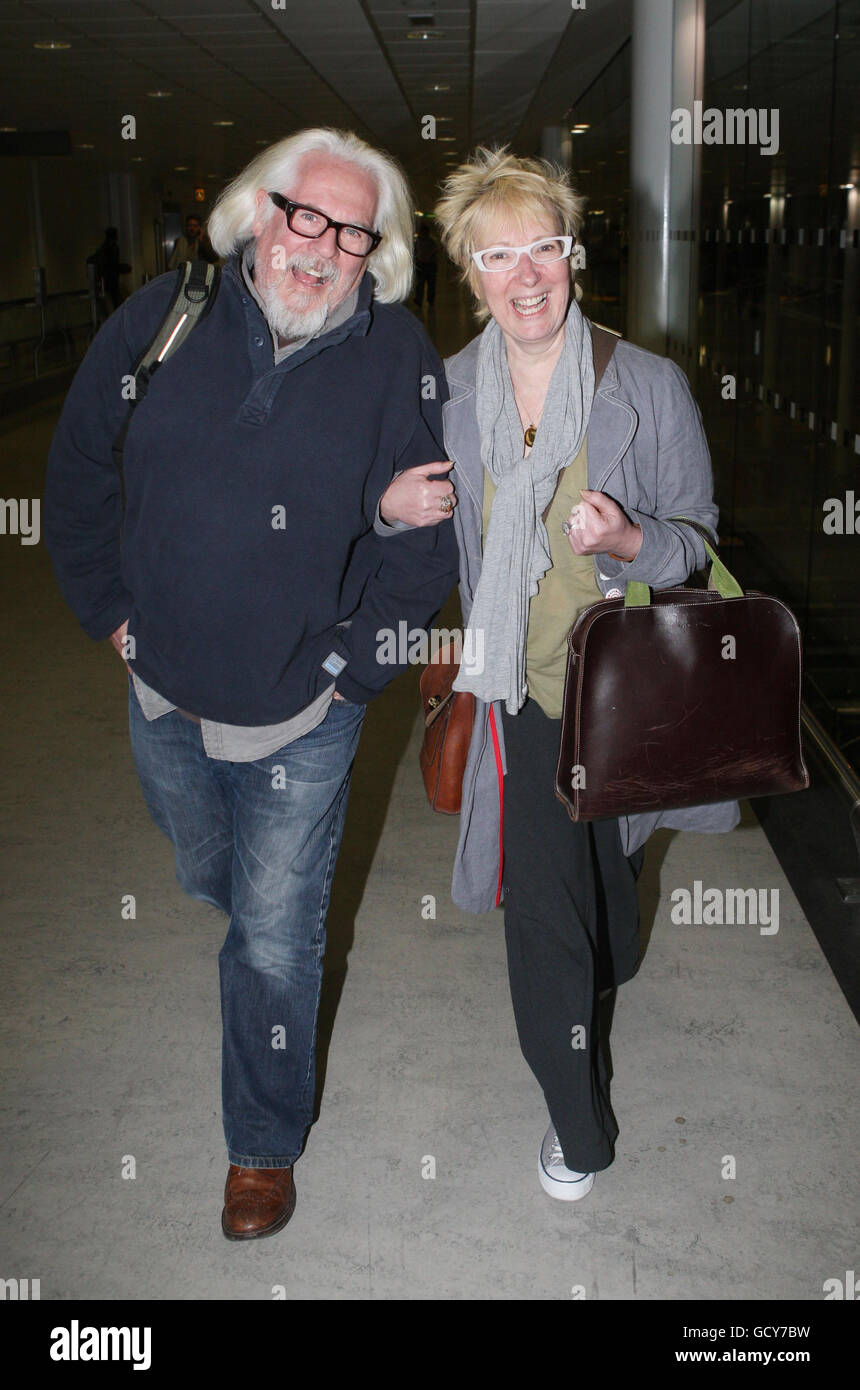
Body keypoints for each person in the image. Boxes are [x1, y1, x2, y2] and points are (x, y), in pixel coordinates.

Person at [44, 128, 458, 1241]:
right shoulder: (164, 318)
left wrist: (350, 669)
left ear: (378, 251)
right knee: (213, 877)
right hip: (164, 686)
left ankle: (259, 1150)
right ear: (258, 213)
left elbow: (426, 535)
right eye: (302, 216)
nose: (318, 248)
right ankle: (276, 929)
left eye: (350, 231)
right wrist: (110, 614)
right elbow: (81, 464)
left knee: (272, 937)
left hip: (300, 706)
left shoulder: (394, 355)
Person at [381, 147, 739, 1201]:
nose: (524, 274)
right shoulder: (443, 394)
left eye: (541, 246)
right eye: (498, 255)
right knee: (542, 914)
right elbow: (400, 533)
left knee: (602, 899)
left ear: (571, 254)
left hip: (626, 695)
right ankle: (577, 1129)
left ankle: (612, 939)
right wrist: (387, 510)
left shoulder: (647, 384)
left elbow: (700, 538)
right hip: (520, 694)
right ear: (470, 273)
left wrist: (634, 542)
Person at [86, 227, 131, 313]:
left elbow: (113, 265)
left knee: (116, 303)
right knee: (112, 304)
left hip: (113, 281)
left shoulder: (114, 248)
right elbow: (109, 266)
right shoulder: (106, 249)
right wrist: (120, 268)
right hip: (107, 282)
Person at [413, 217, 438, 307]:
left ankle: (430, 300)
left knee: (431, 284)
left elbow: (434, 251)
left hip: (430, 265)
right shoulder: (417, 241)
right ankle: (419, 299)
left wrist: (427, 257)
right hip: (421, 265)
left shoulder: (431, 241)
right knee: (420, 284)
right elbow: (414, 252)